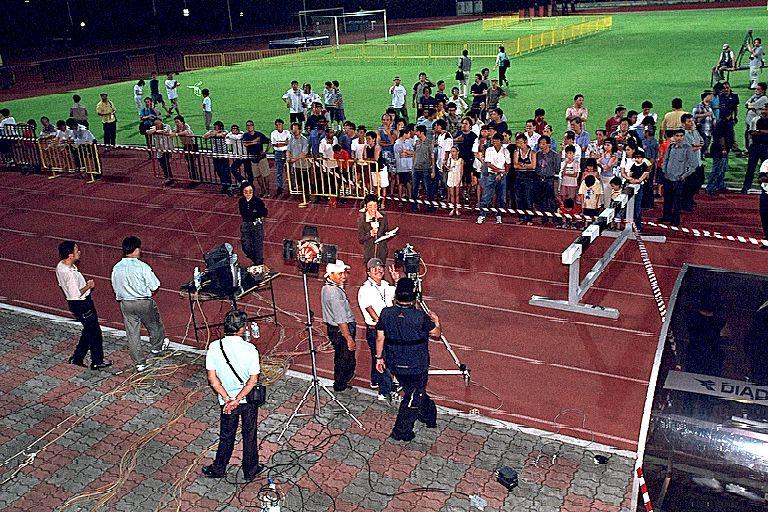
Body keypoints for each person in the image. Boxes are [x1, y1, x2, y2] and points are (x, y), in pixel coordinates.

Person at [375, 277, 440, 442]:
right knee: (412, 396)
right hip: (416, 365)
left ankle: (429, 415)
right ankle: (401, 432)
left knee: (414, 391)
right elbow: (436, 334)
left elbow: (380, 338)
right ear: (414, 296)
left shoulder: (386, 313)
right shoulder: (420, 317)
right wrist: (437, 321)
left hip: (394, 362)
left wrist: (379, 358)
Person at [203, 309, 265, 480]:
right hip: (247, 400)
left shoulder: (215, 347)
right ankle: (250, 469)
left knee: (226, 434)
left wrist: (227, 399)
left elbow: (213, 379)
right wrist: (238, 399)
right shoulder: (250, 349)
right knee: (249, 433)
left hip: (226, 401)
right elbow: (252, 381)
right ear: (242, 329)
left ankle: (219, 468)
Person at [110, 236, 168, 372]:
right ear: (136, 250)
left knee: (132, 333)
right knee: (154, 324)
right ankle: (156, 347)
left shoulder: (117, 268)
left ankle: (139, 363)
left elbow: (115, 287)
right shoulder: (143, 267)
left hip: (126, 303)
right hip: (143, 301)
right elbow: (155, 285)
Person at [56, 241, 112, 370]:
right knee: (95, 332)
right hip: (81, 304)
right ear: (70, 255)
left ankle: (77, 358)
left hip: (77, 303)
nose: (79, 252)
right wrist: (89, 286)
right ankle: (97, 360)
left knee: (88, 330)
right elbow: (75, 294)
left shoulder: (61, 266)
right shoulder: (69, 274)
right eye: (76, 250)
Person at [358, 258, 400, 401]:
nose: (378, 270)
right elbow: (370, 310)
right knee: (383, 358)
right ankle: (385, 391)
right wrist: (384, 325)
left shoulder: (385, 285)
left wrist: (396, 281)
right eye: (374, 269)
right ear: (368, 272)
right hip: (376, 330)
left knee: (377, 355)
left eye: (380, 268)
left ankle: (375, 380)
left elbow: (397, 295)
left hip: (384, 327)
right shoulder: (365, 290)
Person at [321, 259, 356, 392]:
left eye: (344, 273)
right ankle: (341, 386)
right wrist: (349, 338)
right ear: (330, 275)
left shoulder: (328, 288)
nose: (344, 276)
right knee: (345, 360)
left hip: (335, 329)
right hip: (341, 330)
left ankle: (341, 383)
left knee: (341, 357)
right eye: (340, 274)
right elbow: (341, 319)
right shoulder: (334, 293)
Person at [659, 129, 696, 227]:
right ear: (674, 136)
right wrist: (664, 171)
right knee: (667, 199)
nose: (679, 138)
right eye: (677, 135)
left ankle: (675, 220)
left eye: (681, 135)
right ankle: (666, 216)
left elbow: (693, 165)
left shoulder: (687, 148)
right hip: (668, 177)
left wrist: (683, 175)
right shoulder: (671, 147)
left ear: (684, 137)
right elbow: (665, 160)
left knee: (677, 201)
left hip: (679, 179)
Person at [477, 133, 510, 224]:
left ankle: (499, 215)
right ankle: (482, 215)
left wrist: (502, 173)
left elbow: (508, 164)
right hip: (491, 175)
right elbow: (489, 164)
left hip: (502, 177)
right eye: (493, 140)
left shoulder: (505, 151)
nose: (493, 141)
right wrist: (500, 171)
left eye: (495, 140)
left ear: (500, 141)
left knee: (501, 197)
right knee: (486, 196)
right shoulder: (489, 150)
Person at [239, 182, 268, 271]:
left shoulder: (258, 201)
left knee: (257, 247)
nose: (248, 194)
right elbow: (244, 213)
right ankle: (257, 262)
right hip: (246, 225)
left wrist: (256, 215)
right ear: (243, 192)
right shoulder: (241, 201)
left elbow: (264, 212)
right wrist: (255, 213)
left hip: (256, 225)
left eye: (250, 191)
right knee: (246, 246)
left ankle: (259, 264)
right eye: (246, 192)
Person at [512, 132, 537, 225]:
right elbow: (515, 165)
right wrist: (526, 166)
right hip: (519, 177)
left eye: (521, 142)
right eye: (517, 142)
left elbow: (533, 166)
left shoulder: (532, 152)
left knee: (528, 197)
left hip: (529, 177)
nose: (519, 145)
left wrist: (522, 166)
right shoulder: (516, 152)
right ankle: (521, 217)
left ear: (525, 142)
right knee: (519, 198)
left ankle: (529, 218)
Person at [241, 121, 271, 197]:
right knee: (257, 176)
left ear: (253, 126)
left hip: (261, 158)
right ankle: (262, 190)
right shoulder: (245, 135)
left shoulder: (259, 134)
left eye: (250, 125)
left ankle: (267, 191)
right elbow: (245, 144)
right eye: (247, 125)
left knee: (265, 175)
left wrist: (266, 151)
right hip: (253, 159)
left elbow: (269, 141)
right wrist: (255, 141)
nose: (249, 127)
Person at [358, 193, 389, 263]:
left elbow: (386, 230)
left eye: (375, 206)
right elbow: (361, 238)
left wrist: (388, 234)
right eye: (370, 206)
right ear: (366, 206)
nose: (373, 209)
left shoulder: (383, 216)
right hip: (370, 253)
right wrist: (370, 234)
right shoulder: (362, 219)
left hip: (382, 252)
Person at [146, 118, 174, 185]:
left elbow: (164, 131)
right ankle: (167, 177)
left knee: (166, 164)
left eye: (158, 123)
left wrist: (155, 131)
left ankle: (170, 178)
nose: (157, 125)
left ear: (161, 122)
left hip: (166, 148)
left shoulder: (167, 126)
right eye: (156, 124)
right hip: (159, 149)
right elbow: (148, 132)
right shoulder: (154, 127)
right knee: (162, 164)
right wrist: (154, 130)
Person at [270, 119, 290, 197]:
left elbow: (289, 142)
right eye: (277, 124)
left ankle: (292, 186)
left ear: (282, 125)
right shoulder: (273, 133)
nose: (278, 126)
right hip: (278, 153)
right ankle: (280, 187)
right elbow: (275, 145)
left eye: (280, 124)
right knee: (279, 171)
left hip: (286, 152)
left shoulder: (287, 132)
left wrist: (279, 143)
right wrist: (284, 143)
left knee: (290, 170)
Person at [446, 146, 463, 216]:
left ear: (457, 152)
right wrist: (445, 166)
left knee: (457, 194)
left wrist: (460, 179)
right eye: (451, 151)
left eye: (453, 151)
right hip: (451, 177)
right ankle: (453, 209)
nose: (452, 153)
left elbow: (461, 171)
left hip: (457, 177)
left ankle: (457, 209)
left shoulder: (461, 160)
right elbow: (448, 168)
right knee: (452, 194)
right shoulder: (449, 159)